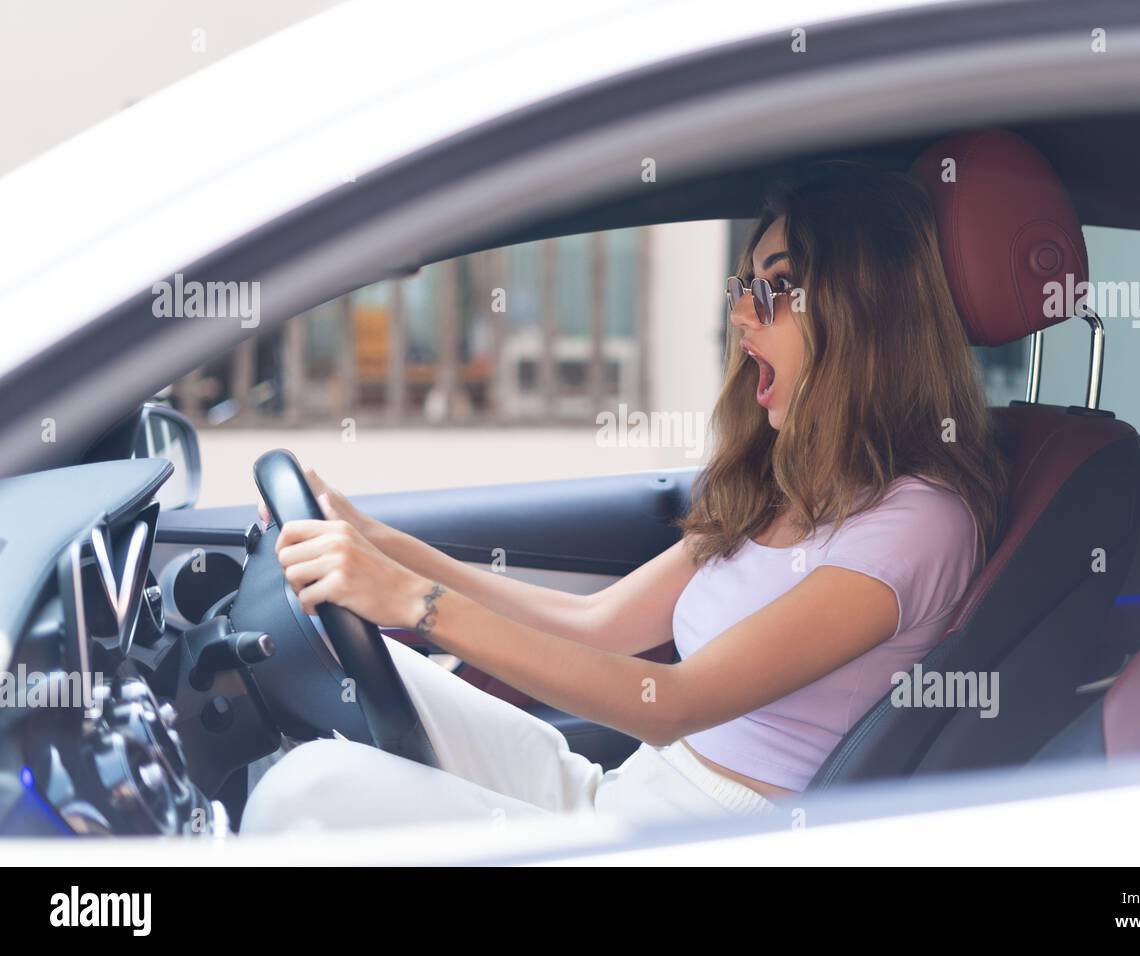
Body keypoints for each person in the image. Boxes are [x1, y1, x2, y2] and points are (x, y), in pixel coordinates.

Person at [241, 162, 1007, 833]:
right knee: (311, 677)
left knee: (305, 794)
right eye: (747, 286)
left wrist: (415, 602)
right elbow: (598, 624)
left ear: (864, 316)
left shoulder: (919, 523)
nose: (741, 314)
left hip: (702, 839)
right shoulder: (792, 478)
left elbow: (670, 701)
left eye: (777, 289)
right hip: (625, 795)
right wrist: (381, 544)